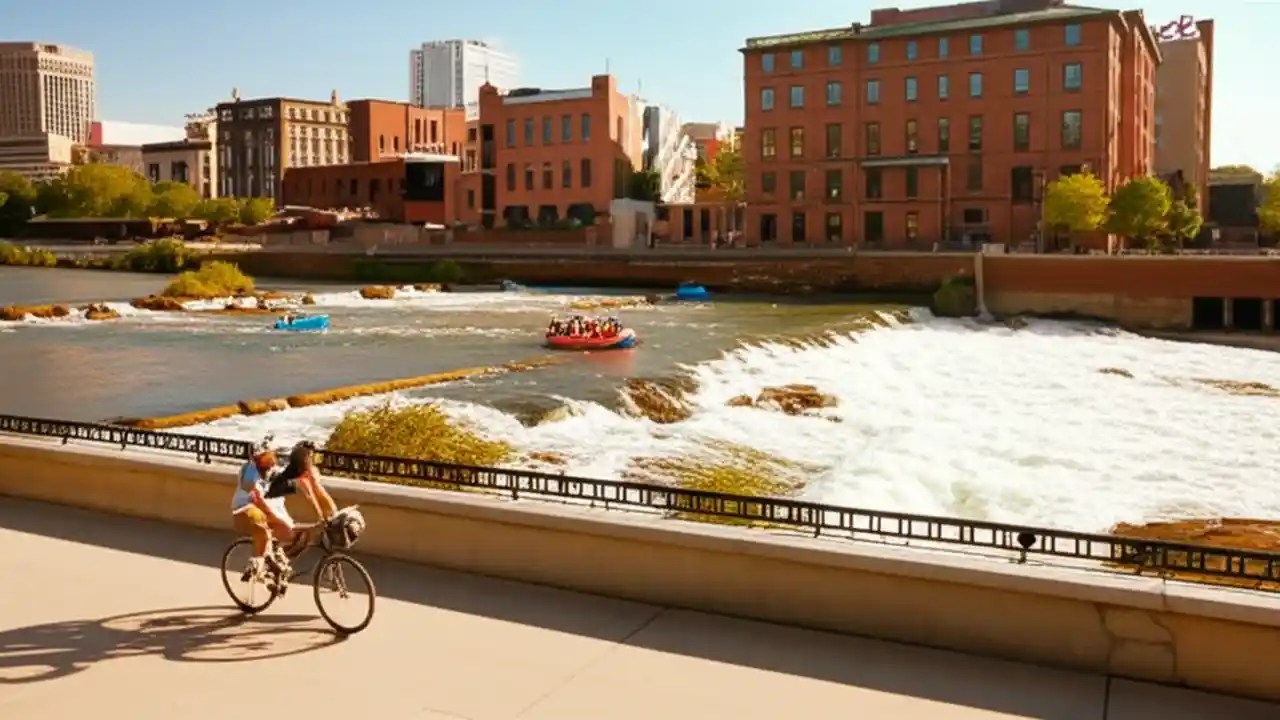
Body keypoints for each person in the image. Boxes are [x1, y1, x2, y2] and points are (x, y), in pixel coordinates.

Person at [230, 441, 293, 578]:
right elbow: (255, 497)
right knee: (263, 529)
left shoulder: (267, 470)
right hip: (244, 508)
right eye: (269, 455)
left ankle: (273, 563)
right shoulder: (250, 470)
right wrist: (272, 515)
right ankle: (256, 565)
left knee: (285, 529)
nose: (273, 458)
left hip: (258, 506)